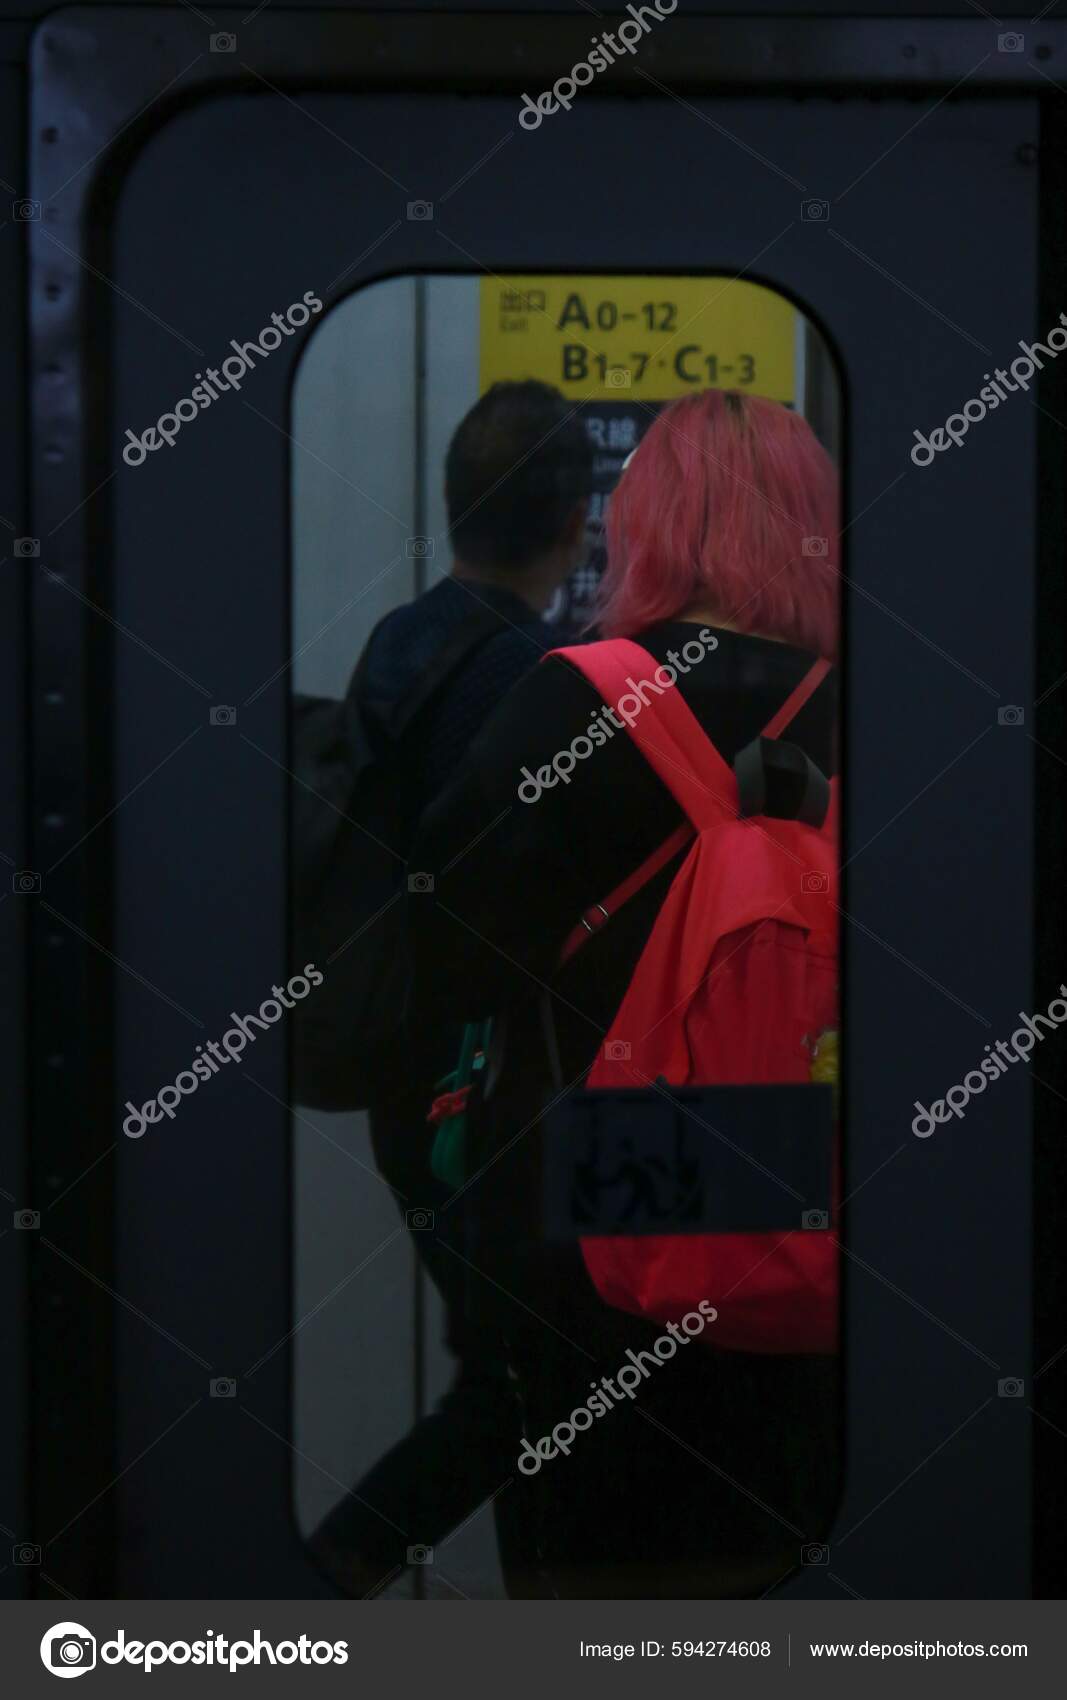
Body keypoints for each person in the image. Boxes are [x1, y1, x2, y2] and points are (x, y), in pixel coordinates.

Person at [408, 389, 841, 1598]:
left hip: (590, 1165)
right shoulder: (872, 699)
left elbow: (444, 951)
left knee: (599, 1539)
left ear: (645, 521)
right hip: (820, 1163)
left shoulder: (575, 697)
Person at [308, 379, 592, 1595]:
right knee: (530, 1380)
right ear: (574, 525)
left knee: (515, 1371)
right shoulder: (538, 678)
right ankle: (327, 1571)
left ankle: (340, 1568)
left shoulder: (396, 643)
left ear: (452, 505)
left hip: (400, 1080)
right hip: (484, 1095)